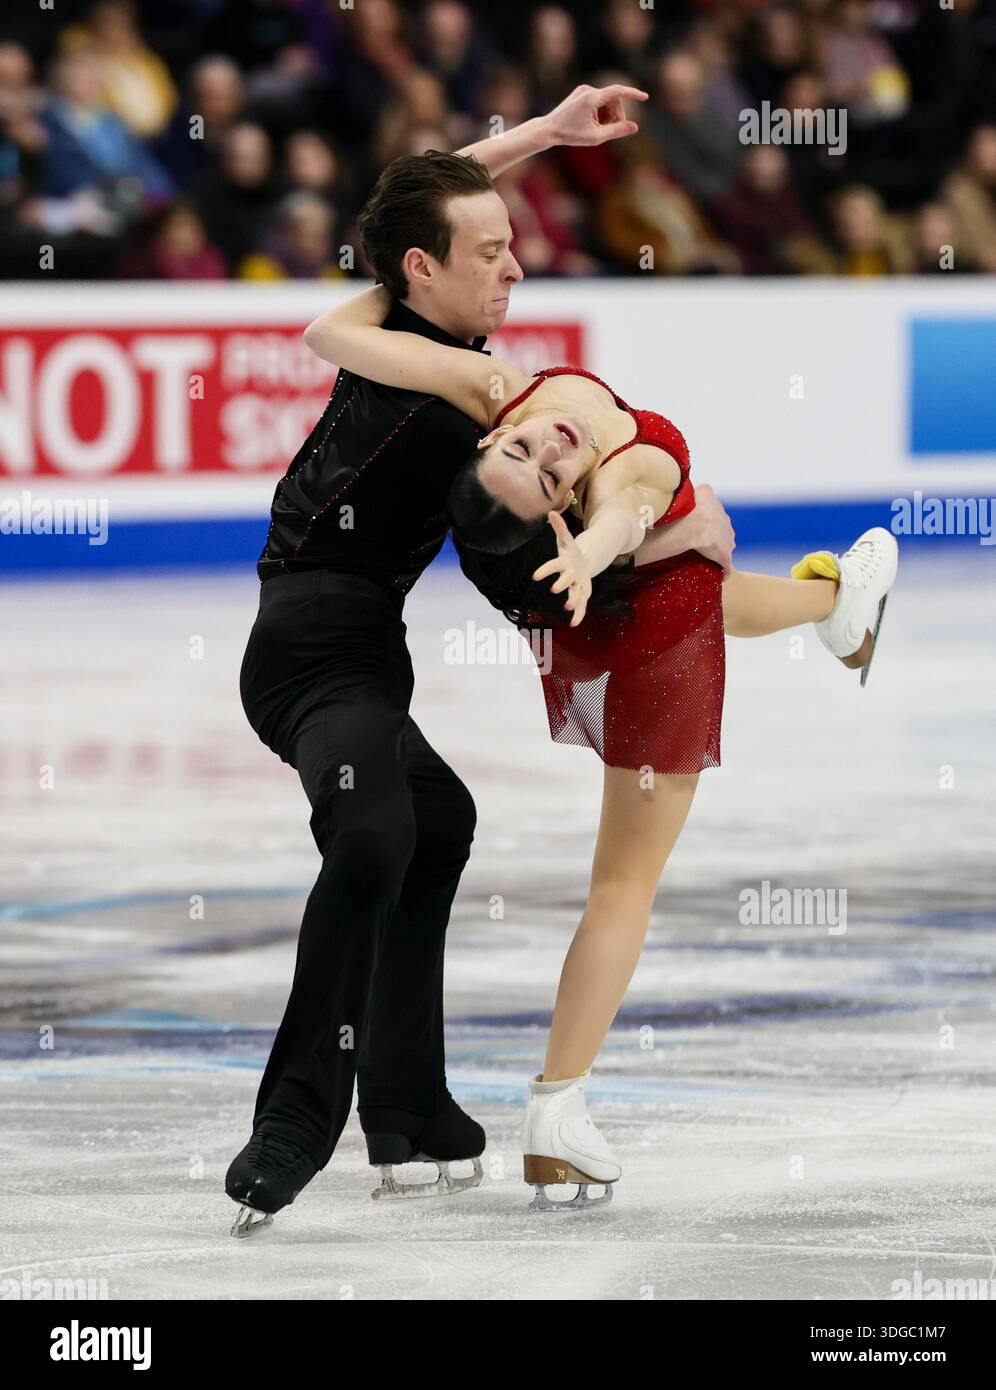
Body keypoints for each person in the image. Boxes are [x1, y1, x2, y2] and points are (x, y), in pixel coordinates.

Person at [302, 243, 899, 1209]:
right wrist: (600, 551)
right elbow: (627, 510)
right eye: (542, 479)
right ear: (557, 513)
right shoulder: (633, 472)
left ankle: (835, 606)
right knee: (625, 879)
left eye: (520, 450)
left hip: (626, 590)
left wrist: (514, 158)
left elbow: (330, 333)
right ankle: (557, 1111)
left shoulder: (499, 392)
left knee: (712, 578)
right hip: (642, 617)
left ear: (489, 435)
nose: (545, 451)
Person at [223, 83, 717, 1234]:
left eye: (512, 247)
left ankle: (408, 1109)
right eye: (491, 253)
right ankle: (298, 1118)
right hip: (303, 648)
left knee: (434, 822)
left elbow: (419, 208)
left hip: (366, 652)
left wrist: (545, 134)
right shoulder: (450, 373)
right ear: (421, 271)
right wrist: (673, 528)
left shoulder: (414, 334)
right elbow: (417, 229)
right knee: (378, 827)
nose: (516, 270)